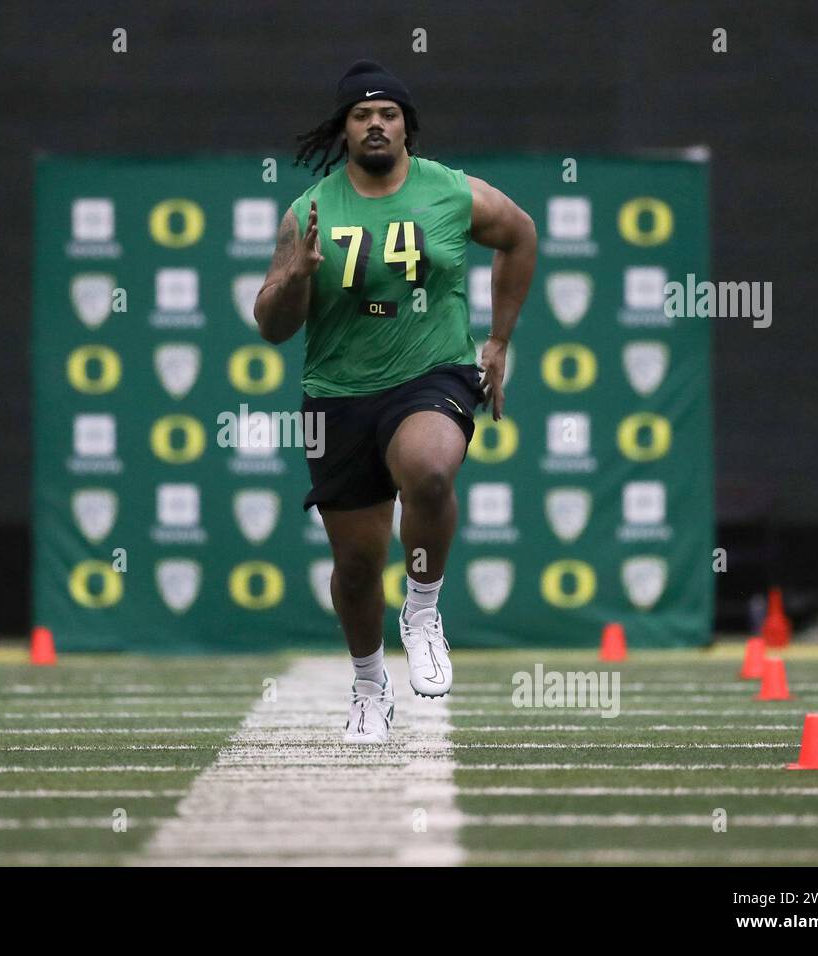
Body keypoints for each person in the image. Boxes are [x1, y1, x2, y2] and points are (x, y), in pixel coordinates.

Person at [254, 59, 537, 743]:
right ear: (344, 130)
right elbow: (271, 323)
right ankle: (368, 688)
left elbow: (520, 235)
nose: (375, 123)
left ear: (407, 126)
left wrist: (498, 340)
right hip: (337, 393)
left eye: (388, 114)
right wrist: (294, 277)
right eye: (360, 114)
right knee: (355, 565)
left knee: (433, 469)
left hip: (429, 375)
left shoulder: (451, 192)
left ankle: (424, 607)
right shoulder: (309, 210)